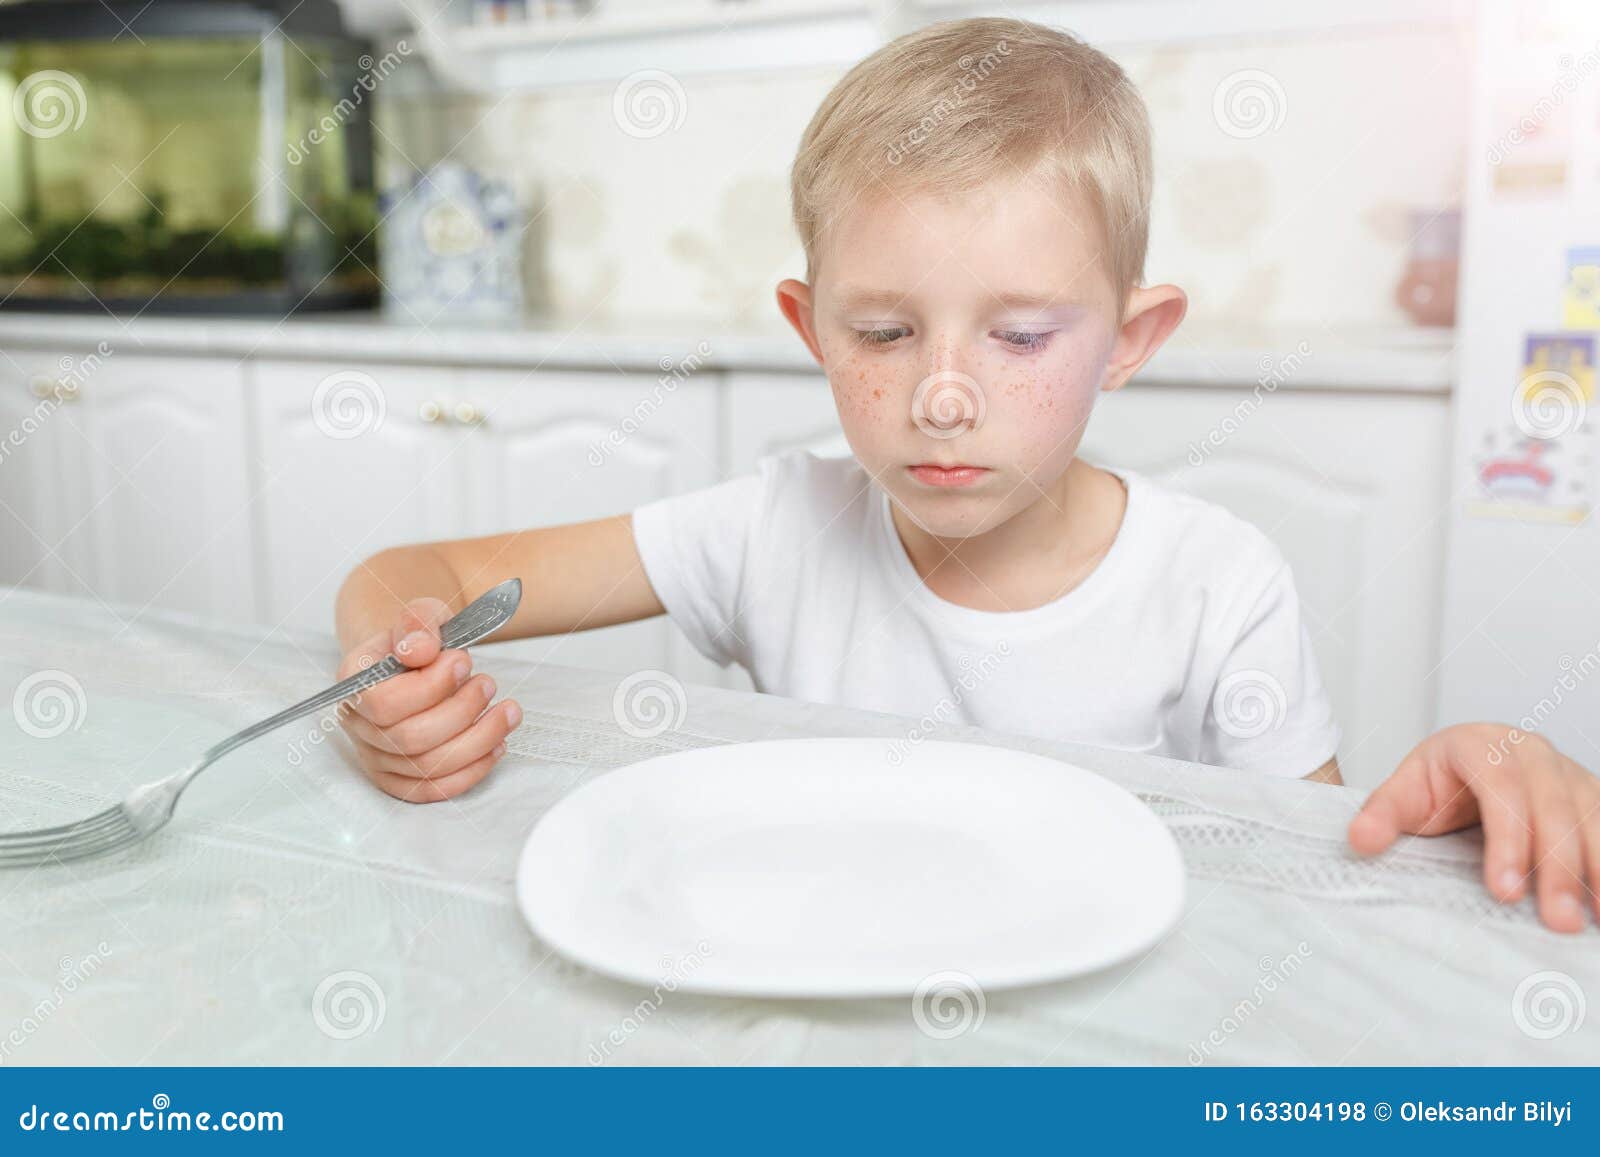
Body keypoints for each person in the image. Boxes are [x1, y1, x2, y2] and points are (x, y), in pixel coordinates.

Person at [330, 19, 1595, 932]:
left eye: (1022, 336)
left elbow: (1320, 874)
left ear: (1130, 341)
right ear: (811, 326)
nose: (942, 392)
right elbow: (412, 575)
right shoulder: (772, 524)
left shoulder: (1215, 584)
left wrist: (1474, 775)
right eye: (882, 333)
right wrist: (381, 665)